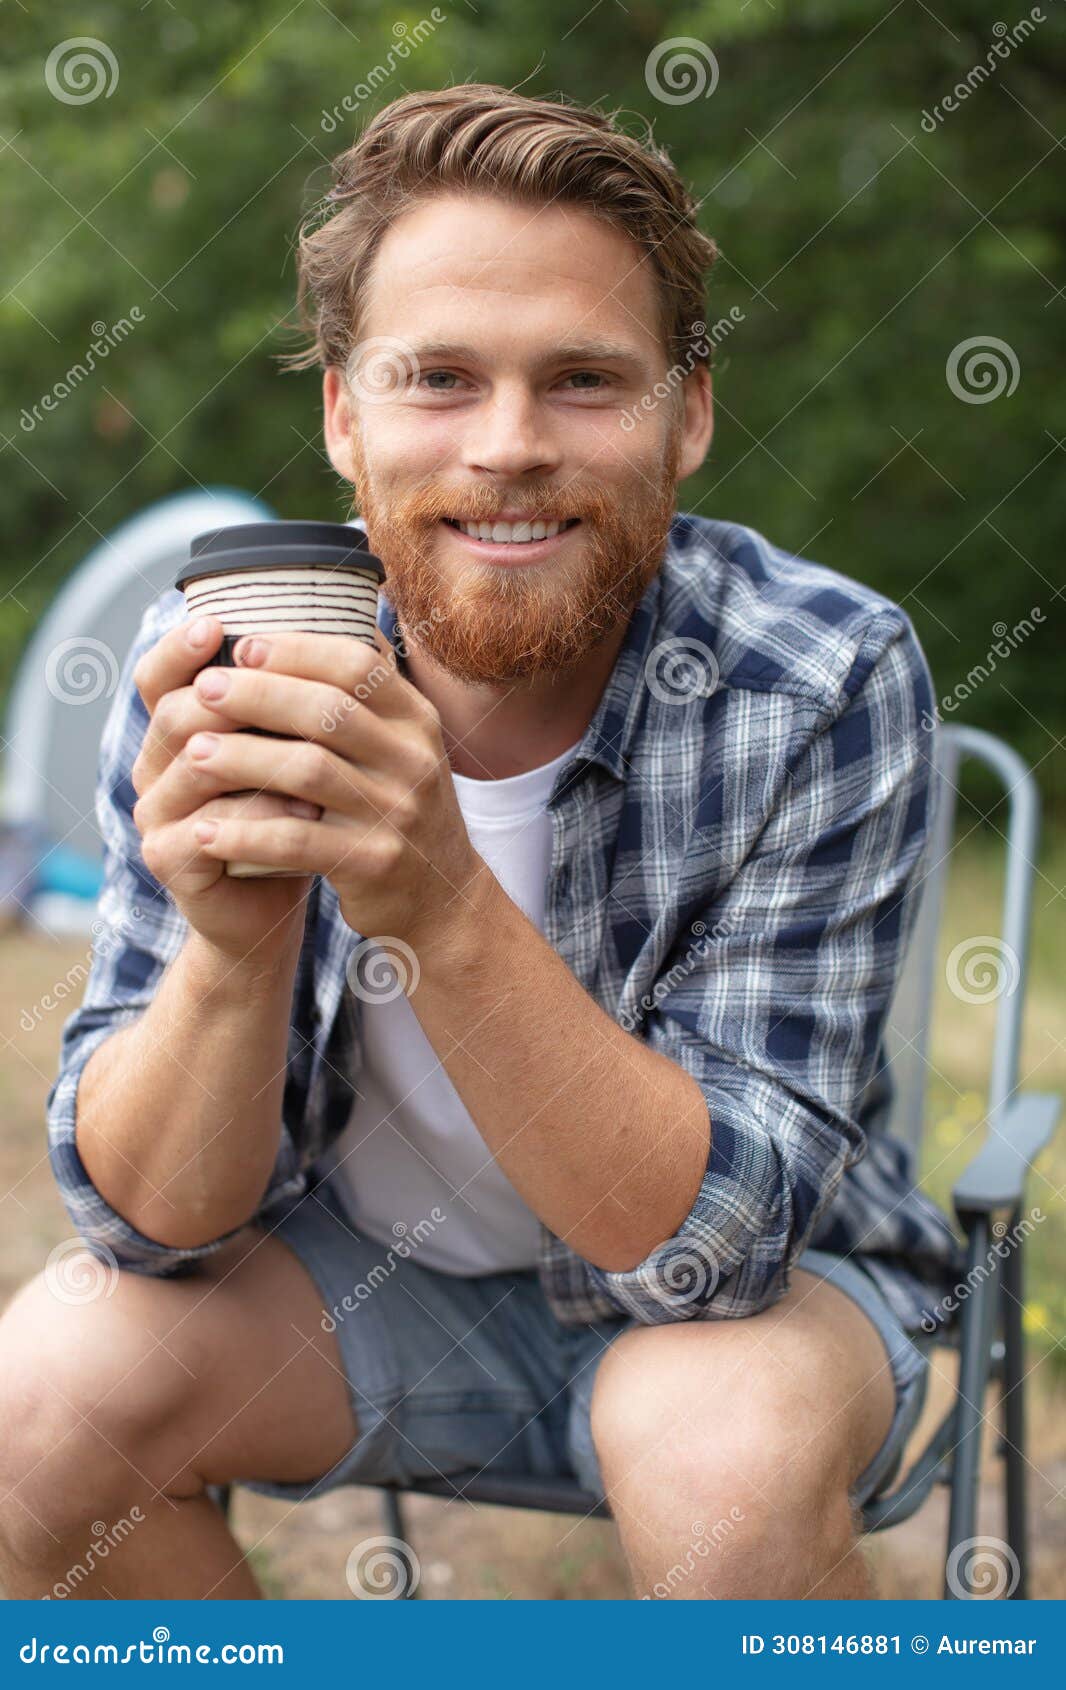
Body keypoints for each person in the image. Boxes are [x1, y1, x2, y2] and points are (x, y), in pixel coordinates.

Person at [0, 84, 966, 1601]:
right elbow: (150, 1229)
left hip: (751, 1312)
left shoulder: (820, 675)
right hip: (370, 1288)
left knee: (706, 1450)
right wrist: (233, 949)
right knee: (38, 1402)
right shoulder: (221, 669)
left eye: (583, 379)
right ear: (342, 412)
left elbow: (710, 1254)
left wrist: (434, 889)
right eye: (437, 376)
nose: (507, 446)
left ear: (686, 411)